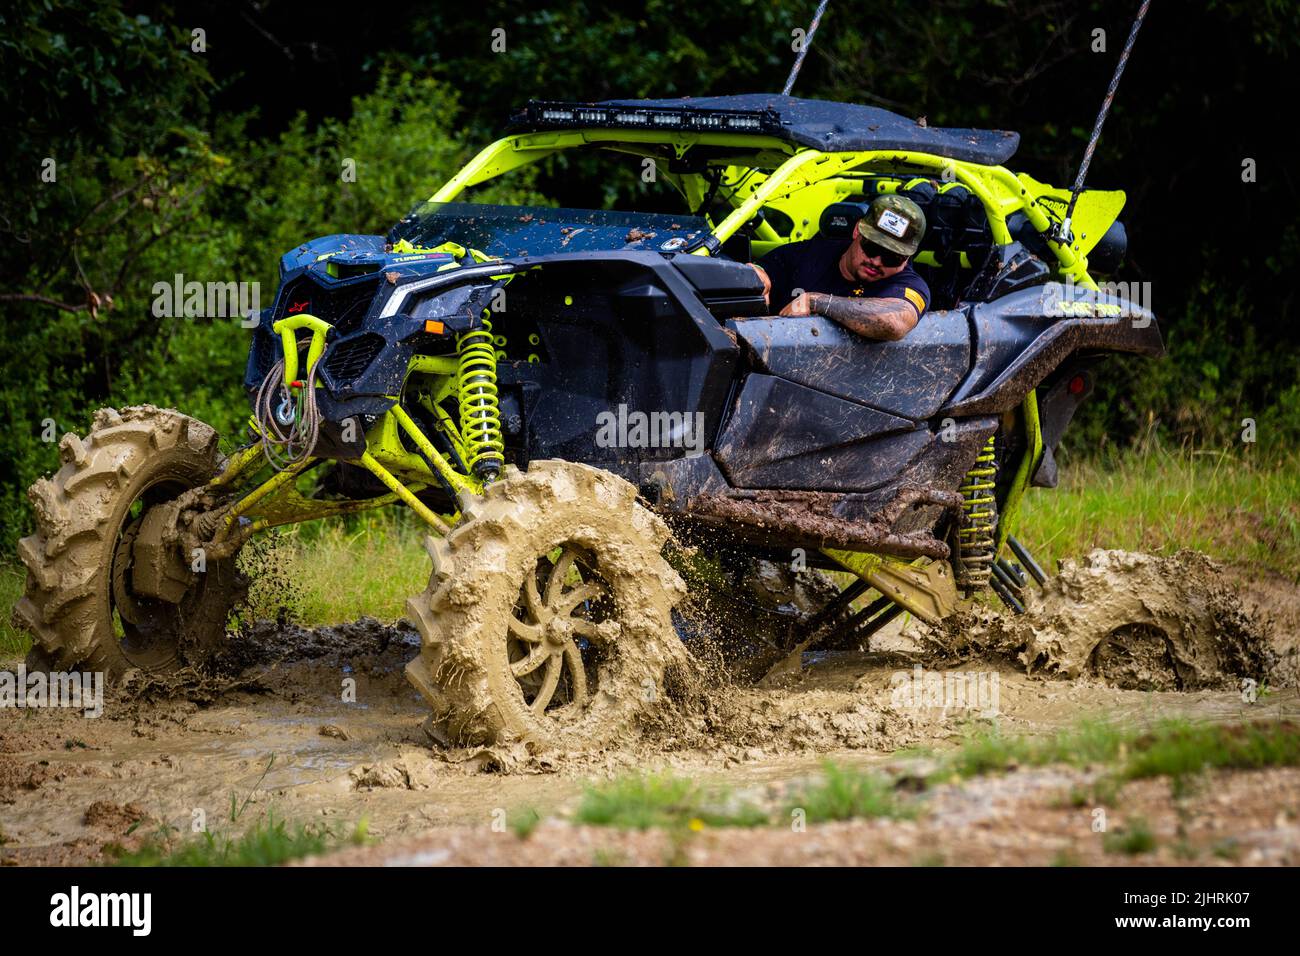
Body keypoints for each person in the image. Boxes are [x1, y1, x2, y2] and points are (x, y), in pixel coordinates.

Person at [749, 194, 931, 341]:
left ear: (907, 258)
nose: (876, 261)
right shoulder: (810, 253)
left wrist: (815, 301)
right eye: (872, 248)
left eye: (892, 257)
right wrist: (756, 275)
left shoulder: (909, 286)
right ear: (857, 231)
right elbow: (758, 272)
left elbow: (895, 322)